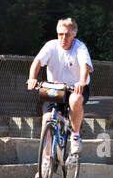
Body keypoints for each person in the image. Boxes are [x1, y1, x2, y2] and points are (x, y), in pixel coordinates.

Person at [26, 17, 92, 157]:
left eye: (67, 35)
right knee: (47, 121)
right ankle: (45, 161)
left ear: (73, 35)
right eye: (60, 34)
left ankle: (75, 136)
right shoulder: (51, 46)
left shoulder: (80, 47)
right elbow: (37, 61)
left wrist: (81, 81)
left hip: (75, 88)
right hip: (54, 89)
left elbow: (84, 66)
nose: (63, 38)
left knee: (75, 100)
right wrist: (32, 78)